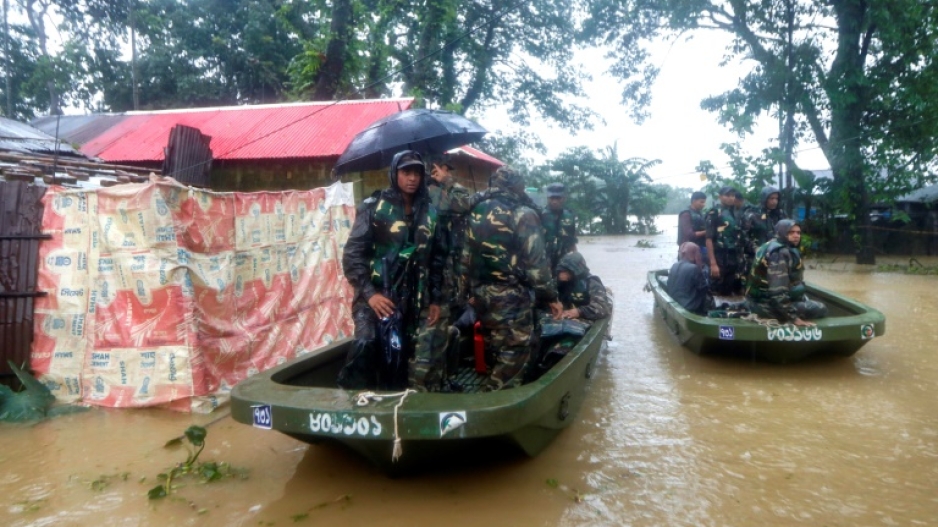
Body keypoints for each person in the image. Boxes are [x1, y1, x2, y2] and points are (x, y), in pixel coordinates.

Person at [338, 150, 444, 390]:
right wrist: (370, 294)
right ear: (394, 173)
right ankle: (354, 402)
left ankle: (395, 407)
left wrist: (435, 298)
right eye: (406, 172)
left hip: (411, 301)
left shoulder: (430, 211)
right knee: (366, 344)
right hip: (375, 296)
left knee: (400, 357)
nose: (412, 178)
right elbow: (352, 255)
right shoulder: (374, 206)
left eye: (417, 172)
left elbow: (436, 257)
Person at [461, 166, 563, 391]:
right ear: (516, 185)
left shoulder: (476, 210)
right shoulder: (523, 214)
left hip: (480, 294)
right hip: (511, 296)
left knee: (494, 343)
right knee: (514, 351)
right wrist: (551, 297)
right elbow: (537, 264)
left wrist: (465, 292)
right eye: (522, 184)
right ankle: (497, 400)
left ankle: (492, 384)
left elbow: (465, 256)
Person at [409, 156, 470, 391]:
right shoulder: (422, 196)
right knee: (425, 341)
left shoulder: (451, 191)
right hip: (425, 279)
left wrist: (447, 184)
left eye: (446, 170)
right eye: (441, 168)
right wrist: (440, 185)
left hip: (447, 275)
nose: (444, 172)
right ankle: (419, 392)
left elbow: (464, 205)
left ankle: (438, 384)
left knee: (443, 334)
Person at [534, 251, 612, 372]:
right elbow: (541, 300)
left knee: (566, 343)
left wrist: (579, 311)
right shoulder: (558, 282)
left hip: (580, 321)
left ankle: (553, 361)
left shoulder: (591, 283)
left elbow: (603, 307)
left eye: (567, 271)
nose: (563, 274)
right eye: (562, 270)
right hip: (558, 319)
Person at [746, 219, 827, 325]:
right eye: (791, 232)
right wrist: (793, 318)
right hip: (767, 306)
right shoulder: (780, 253)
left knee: (803, 298)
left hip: (758, 301)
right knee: (821, 308)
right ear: (782, 232)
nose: (796, 235)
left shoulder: (769, 244)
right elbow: (777, 292)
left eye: (798, 233)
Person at [740, 186, 788, 277]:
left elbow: (787, 232)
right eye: (771, 198)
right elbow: (743, 235)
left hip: (777, 256)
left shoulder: (780, 214)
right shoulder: (752, 214)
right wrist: (756, 249)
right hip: (756, 257)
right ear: (764, 198)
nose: (774, 201)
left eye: (776, 198)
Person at [705, 186, 744, 296]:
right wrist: (713, 263)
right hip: (719, 257)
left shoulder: (735, 213)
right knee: (716, 290)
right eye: (727, 195)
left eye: (732, 195)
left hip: (733, 257)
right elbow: (709, 239)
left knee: (730, 289)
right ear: (720, 197)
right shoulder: (714, 213)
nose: (731, 198)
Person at [667, 242, 713, 315]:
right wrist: (701, 268)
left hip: (676, 304)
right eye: (699, 253)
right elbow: (705, 289)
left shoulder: (674, 265)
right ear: (695, 254)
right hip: (689, 308)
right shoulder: (694, 268)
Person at [542, 182, 578, 272]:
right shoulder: (539, 215)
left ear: (564, 198)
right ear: (547, 198)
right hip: (544, 262)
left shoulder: (569, 216)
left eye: (558, 198)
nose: (554, 201)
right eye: (552, 198)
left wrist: (576, 261)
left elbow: (572, 244)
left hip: (564, 262)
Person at [677, 191, 708, 260]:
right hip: (688, 250)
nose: (703, 204)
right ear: (694, 201)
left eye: (704, 202)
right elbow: (689, 234)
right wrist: (707, 231)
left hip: (700, 247)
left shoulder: (700, 214)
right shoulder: (686, 214)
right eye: (701, 202)